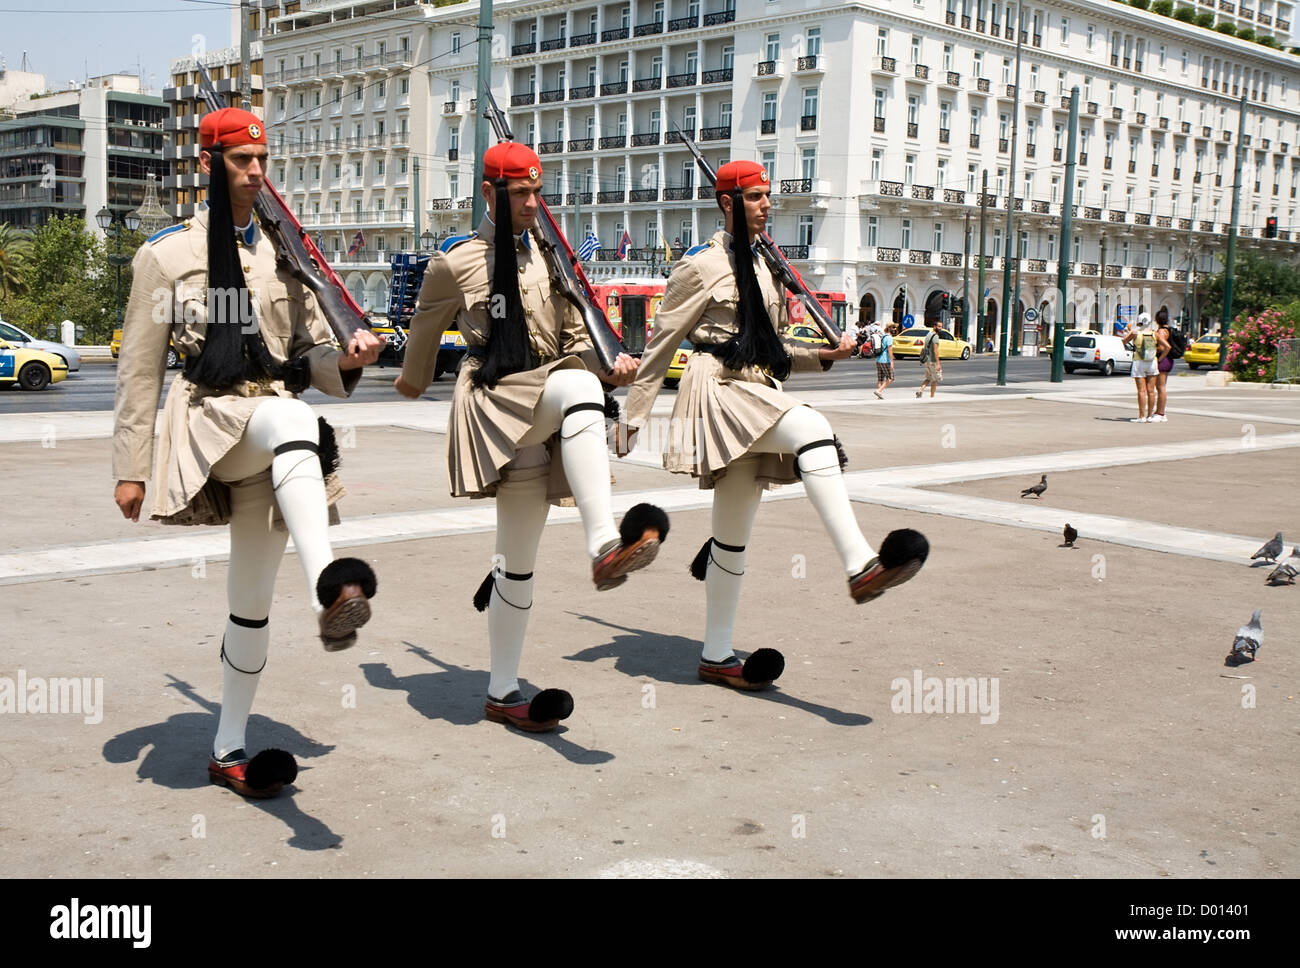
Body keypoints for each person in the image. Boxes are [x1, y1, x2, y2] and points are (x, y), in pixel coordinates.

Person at [112, 107, 384, 798]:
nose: (255, 172)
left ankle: (229, 748)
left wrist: (350, 357)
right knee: (292, 418)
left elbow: (309, 353)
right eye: (240, 160)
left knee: (249, 603)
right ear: (210, 164)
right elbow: (139, 370)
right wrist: (130, 468)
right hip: (214, 423)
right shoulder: (167, 255)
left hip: (277, 437)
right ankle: (331, 582)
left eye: (261, 160)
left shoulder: (283, 253)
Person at [619, 160, 928, 691]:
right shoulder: (698, 267)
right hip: (715, 389)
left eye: (768, 197)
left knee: (732, 537)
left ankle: (716, 655)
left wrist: (825, 354)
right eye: (758, 196)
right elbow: (661, 343)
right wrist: (634, 416)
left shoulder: (765, 269)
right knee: (811, 429)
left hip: (757, 388)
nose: (767, 205)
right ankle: (859, 565)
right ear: (727, 202)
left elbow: (774, 346)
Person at [394, 141, 668, 732]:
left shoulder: (550, 258)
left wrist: (607, 363)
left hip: (544, 396)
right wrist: (412, 380)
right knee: (514, 564)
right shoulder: (455, 261)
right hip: (495, 399)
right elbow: (422, 330)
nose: (532, 203)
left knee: (578, 388)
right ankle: (508, 681)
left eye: (537, 192)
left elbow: (574, 338)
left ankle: (598, 554)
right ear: (490, 194)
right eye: (521, 193)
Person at [1122, 311, 1161, 422]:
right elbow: (1167, 347)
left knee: (1141, 391)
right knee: (1151, 391)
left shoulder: (1135, 333)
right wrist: (1160, 357)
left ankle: (1141, 416)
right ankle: (1149, 416)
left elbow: (1124, 342)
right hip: (1152, 362)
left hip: (1139, 362)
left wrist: (1128, 331)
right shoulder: (1155, 334)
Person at [1153, 308, 1174, 422]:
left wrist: (1158, 358)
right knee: (1161, 387)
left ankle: (1160, 412)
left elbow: (1163, 347)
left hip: (1163, 360)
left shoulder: (1161, 331)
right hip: (1168, 360)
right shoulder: (1168, 329)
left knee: (1160, 388)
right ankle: (1160, 412)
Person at [915, 318, 943, 398]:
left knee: (928, 378)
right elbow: (935, 350)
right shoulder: (935, 336)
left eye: (941, 327)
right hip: (933, 361)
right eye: (939, 326)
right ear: (934, 326)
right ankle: (932, 396)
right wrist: (938, 363)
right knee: (935, 379)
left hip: (927, 360)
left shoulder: (929, 334)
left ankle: (920, 391)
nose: (940, 328)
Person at [872, 321, 895, 399]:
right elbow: (890, 350)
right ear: (889, 328)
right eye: (893, 327)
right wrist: (892, 361)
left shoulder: (883, 336)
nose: (894, 329)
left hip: (878, 360)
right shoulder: (889, 338)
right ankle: (879, 391)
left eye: (895, 327)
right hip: (885, 361)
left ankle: (879, 395)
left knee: (880, 379)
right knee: (891, 378)